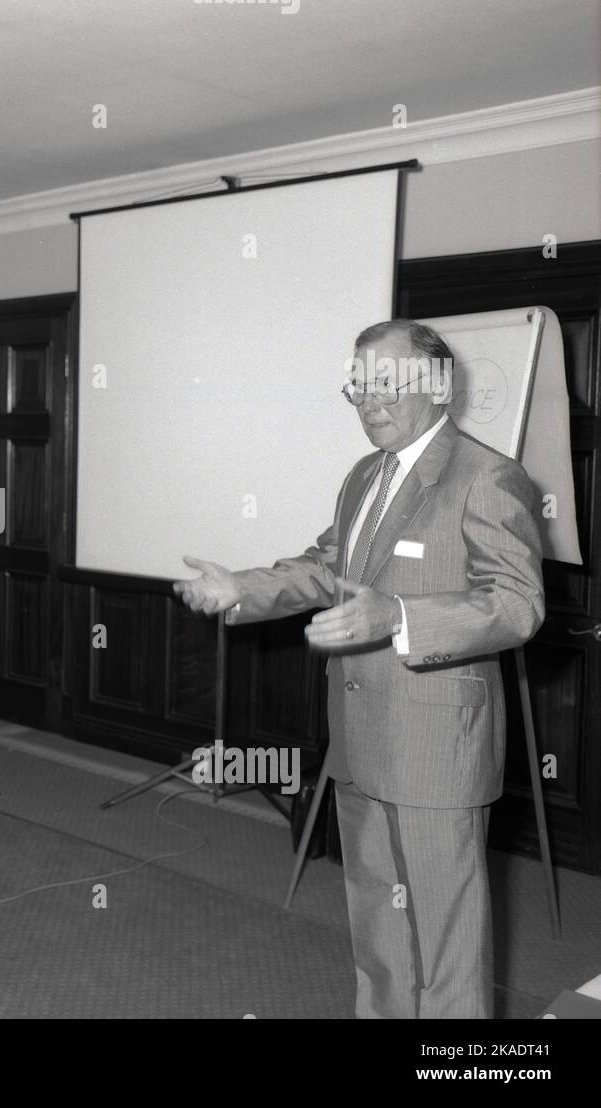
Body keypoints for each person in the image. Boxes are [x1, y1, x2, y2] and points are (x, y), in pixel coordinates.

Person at [174, 320, 544, 1019]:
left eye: (385, 382)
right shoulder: (363, 476)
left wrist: (398, 618)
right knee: (379, 931)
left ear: (437, 385)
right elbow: (328, 568)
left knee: (445, 947)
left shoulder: (486, 476)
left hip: (436, 750)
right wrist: (242, 588)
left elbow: (518, 604)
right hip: (360, 735)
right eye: (358, 384)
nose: (367, 399)